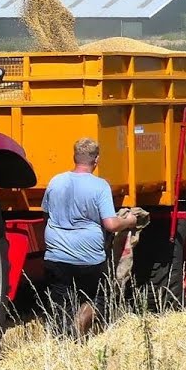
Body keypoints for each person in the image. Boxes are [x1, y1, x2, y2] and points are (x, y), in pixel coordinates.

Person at [42, 137, 139, 338]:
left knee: (60, 301)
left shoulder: (55, 181)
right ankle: (80, 323)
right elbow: (111, 224)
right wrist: (129, 221)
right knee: (99, 297)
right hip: (89, 257)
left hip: (56, 255)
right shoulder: (100, 186)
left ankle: (63, 342)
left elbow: (46, 213)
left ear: (74, 157)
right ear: (96, 160)